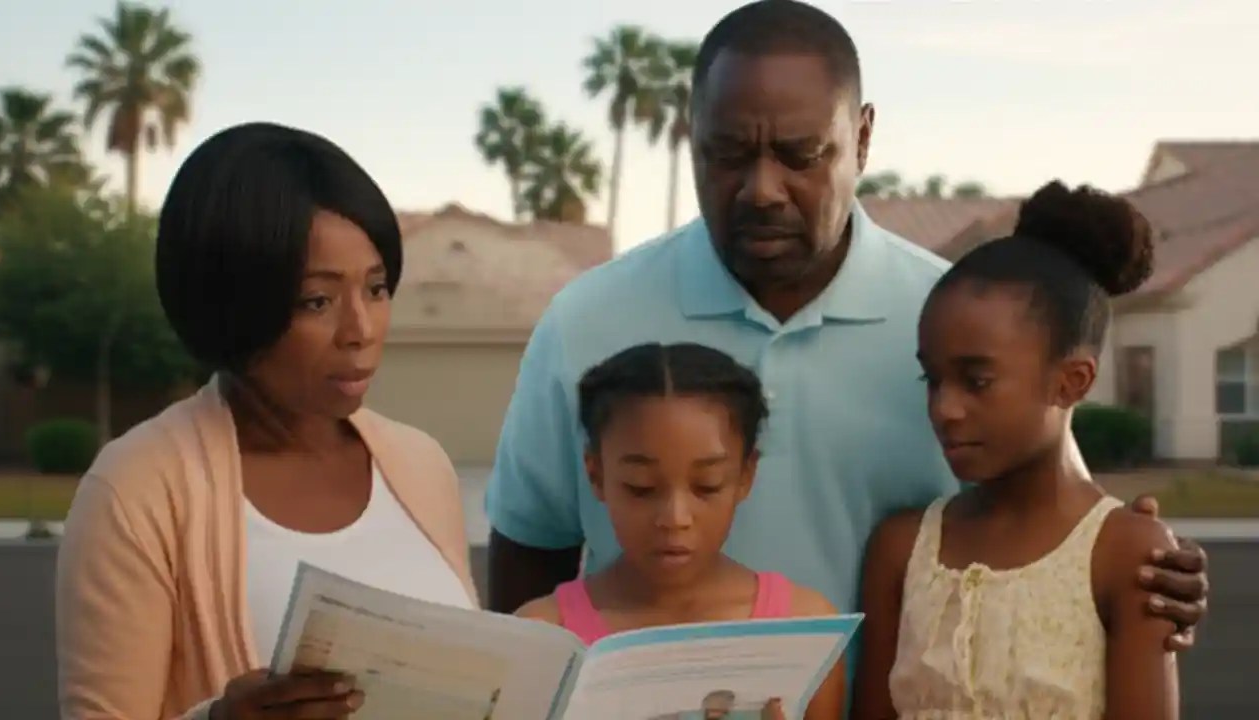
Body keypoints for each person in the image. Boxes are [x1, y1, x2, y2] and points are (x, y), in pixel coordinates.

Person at [484, 0, 1209, 692]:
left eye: (800, 155)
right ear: (691, 133)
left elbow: (1063, 526)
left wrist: (1147, 572)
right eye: (730, 153)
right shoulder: (585, 321)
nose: (762, 189)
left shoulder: (958, 326)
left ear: (862, 138)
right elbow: (527, 561)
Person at [55, 122, 479, 720]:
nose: (360, 330)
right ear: (233, 302)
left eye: (377, 288)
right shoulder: (138, 489)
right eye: (317, 301)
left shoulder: (421, 465)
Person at [851, 181, 1180, 719]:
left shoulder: (1124, 555)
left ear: (1072, 382)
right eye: (932, 380)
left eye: (976, 381)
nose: (945, 409)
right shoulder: (902, 551)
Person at [515, 343, 844, 720]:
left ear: (745, 475)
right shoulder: (543, 639)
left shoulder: (801, 632)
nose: (675, 518)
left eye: (707, 485)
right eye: (640, 487)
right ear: (597, 475)